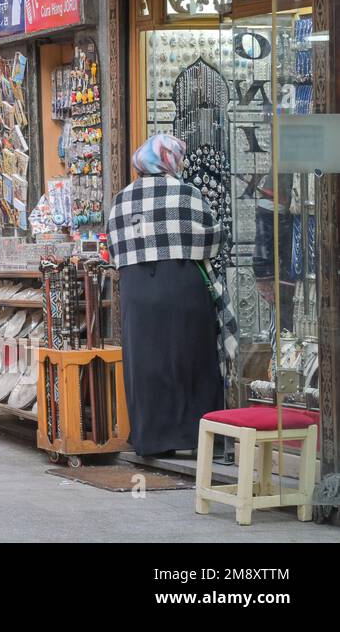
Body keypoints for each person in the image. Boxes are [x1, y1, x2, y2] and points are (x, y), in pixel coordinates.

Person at [105, 133, 229, 457]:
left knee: (146, 362)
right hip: (181, 282)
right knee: (193, 357)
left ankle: (153, 439)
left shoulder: (122, 199)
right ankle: (199, 437)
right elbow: (212, 236)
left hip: (137, 288)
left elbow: (115, 248)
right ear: (170, 159)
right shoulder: (187, 193)